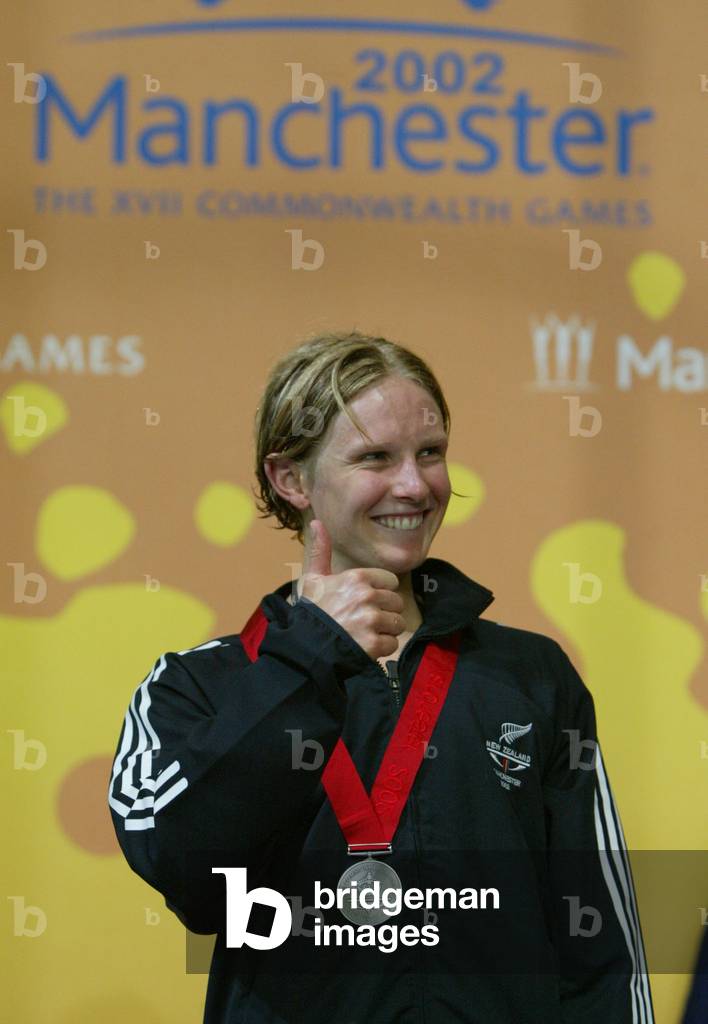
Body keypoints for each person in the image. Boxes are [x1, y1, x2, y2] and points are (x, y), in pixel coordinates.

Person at [108, 330, 654, 1023]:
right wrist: (306, 661)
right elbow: (188, 873)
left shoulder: (530, 675)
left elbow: (601, 946)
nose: (415, 484)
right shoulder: (197, 685)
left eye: (430, 454)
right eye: (375, 457)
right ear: (292, 480)